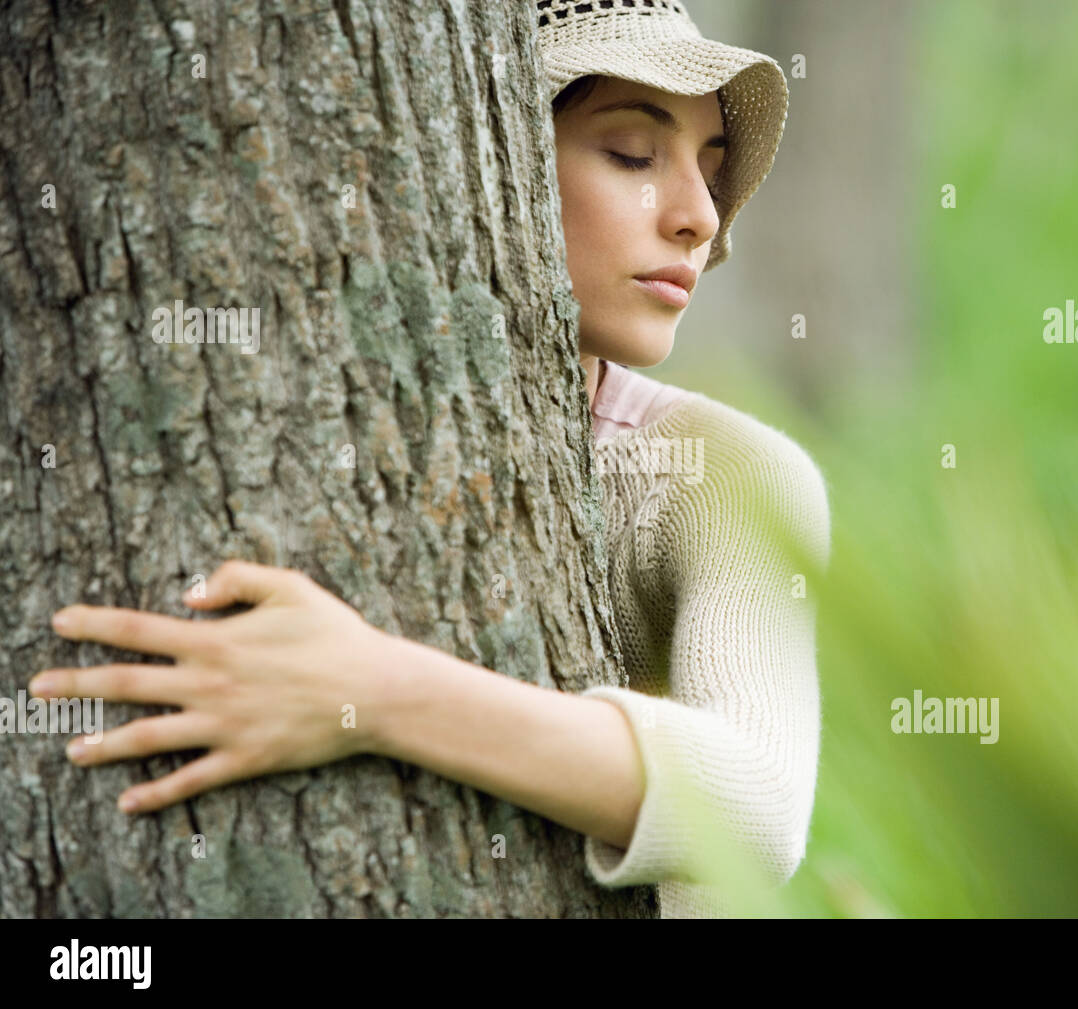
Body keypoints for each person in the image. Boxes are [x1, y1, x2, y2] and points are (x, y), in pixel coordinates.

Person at [28, 0, 830, 919]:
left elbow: (759, 805)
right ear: (500, 161)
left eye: (708, 170)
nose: (696, 215)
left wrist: (368, 689)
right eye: (634, 156)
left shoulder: (729, 472)